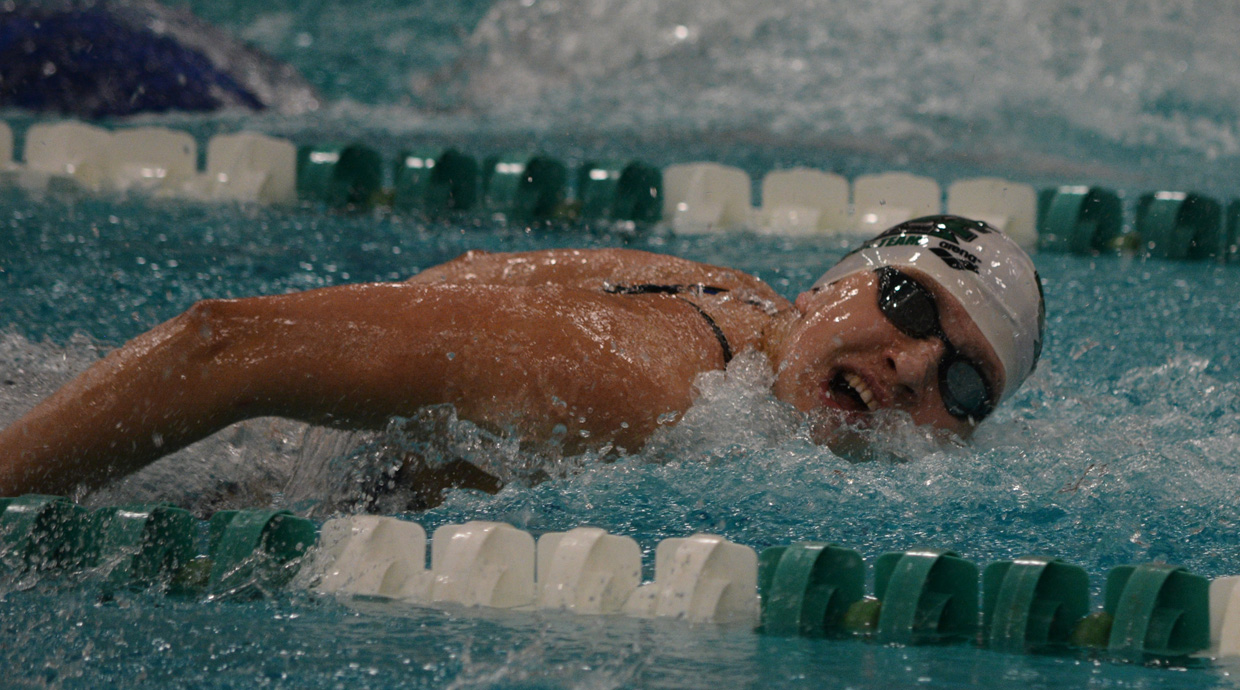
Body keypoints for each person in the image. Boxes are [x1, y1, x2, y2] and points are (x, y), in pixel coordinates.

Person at [0, 215, 1044, 502]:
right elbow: (228, 344)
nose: (912, 365)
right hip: (225, 471)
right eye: (907, 302)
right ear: (831, 282)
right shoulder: (648, 386)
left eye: (962, 385)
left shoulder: (748, 307)